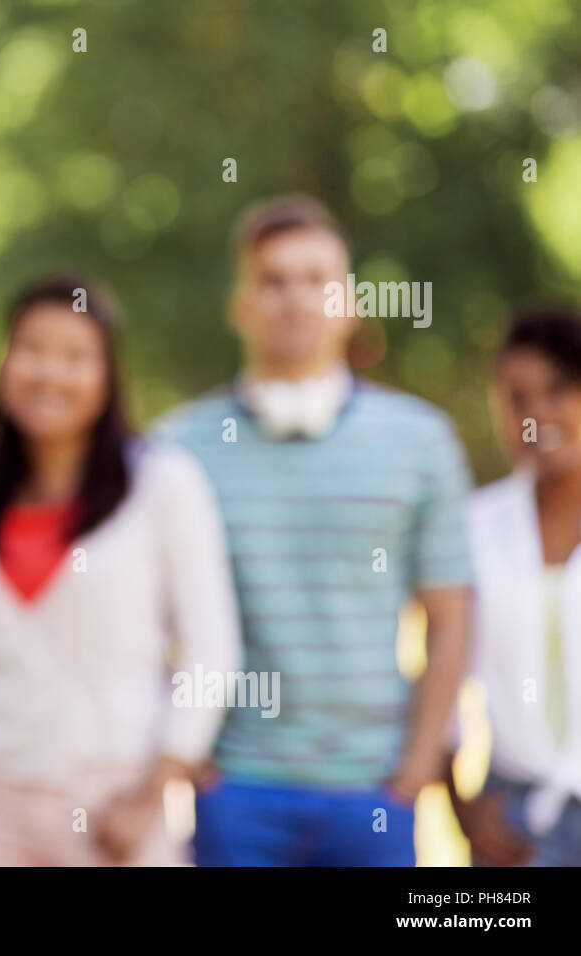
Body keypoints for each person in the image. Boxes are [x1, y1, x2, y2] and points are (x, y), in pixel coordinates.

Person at [155, 194, 473, 866]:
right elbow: (147, 616)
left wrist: (416, 770)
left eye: (316, 281)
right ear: (239, 303)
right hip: (236, 789)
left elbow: (450, 614)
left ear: (348, 302)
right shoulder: (177, 447)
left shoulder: (420, 441)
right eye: (272, 281)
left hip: (373, 792)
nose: (295, 300)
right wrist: (193, 757)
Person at [0, 274, 242, 866]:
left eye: (77, 356)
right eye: (32, 350)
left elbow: (212, 647)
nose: (50, 373)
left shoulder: (164, 483)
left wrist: (156, 788)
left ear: (109, 377)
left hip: (117, 798)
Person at [448, 308, 581, 866]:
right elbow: (441, 663)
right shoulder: (475, 525)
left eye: (559, 390)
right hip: (511, 819)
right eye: (517, 399)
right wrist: (460, 803)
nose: (538, 414)